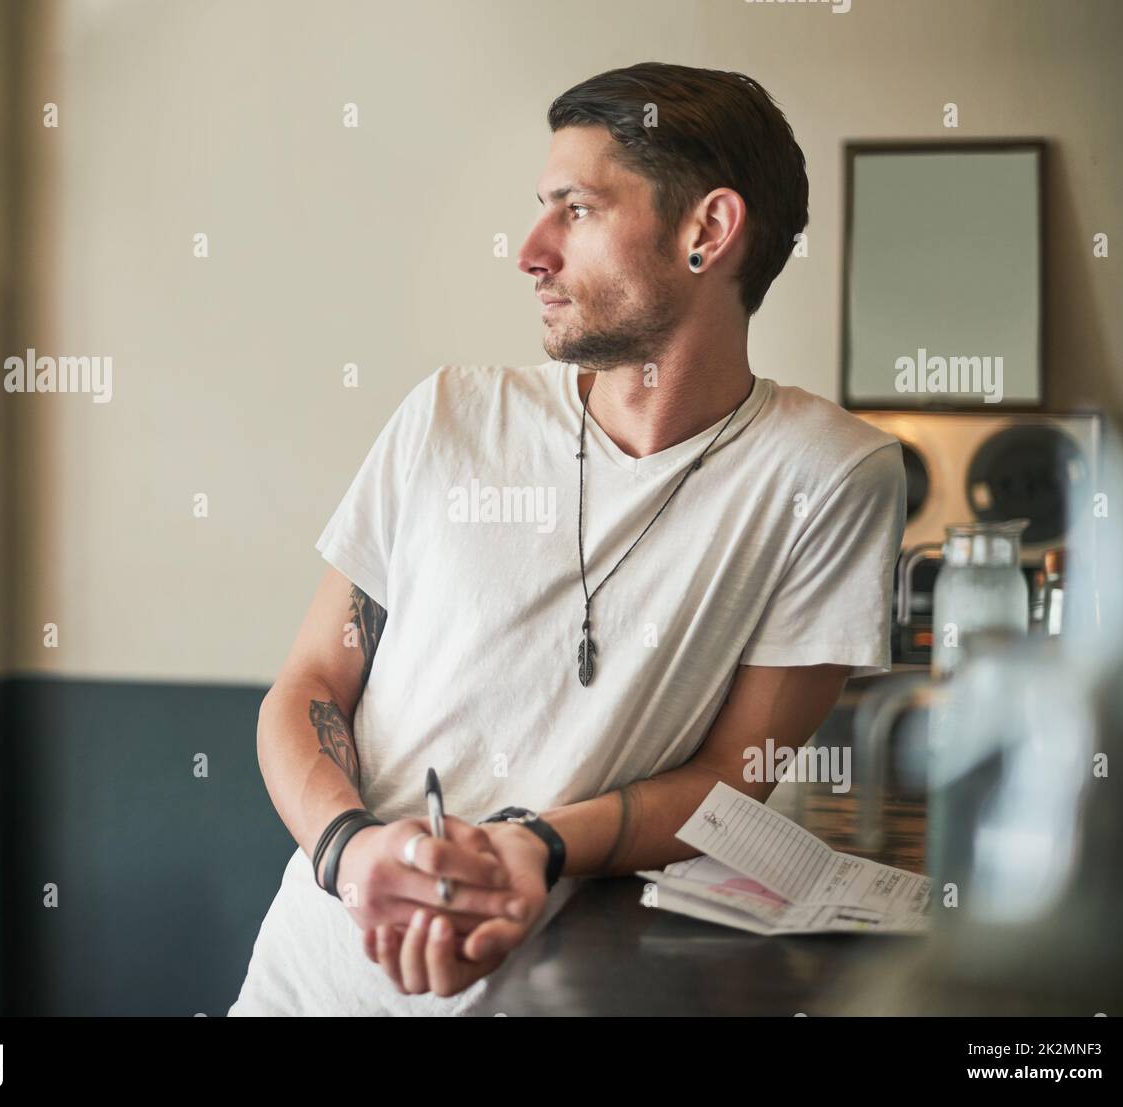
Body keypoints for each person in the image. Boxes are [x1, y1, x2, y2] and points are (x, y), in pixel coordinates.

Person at [228, 61, 906, 1016]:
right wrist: (350, 849)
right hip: (313, 975)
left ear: (707, 231)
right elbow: (309, 686)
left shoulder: (830, 475)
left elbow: (731, 782)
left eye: (576, 209)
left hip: (561, 991)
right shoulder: (449, 416)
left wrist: (535, 844)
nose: (530, 250)